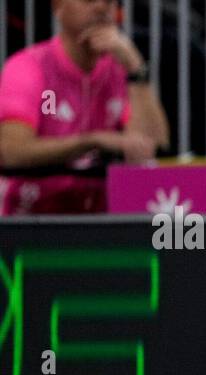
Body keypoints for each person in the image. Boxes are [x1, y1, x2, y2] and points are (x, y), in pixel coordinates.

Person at [0, 0, 169, 215]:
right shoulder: (29, 67)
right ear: (57, 8)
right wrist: (92, 140)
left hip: (102, 222)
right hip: (31, 221)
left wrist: (135, 68)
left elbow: (153, 145)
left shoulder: (120, 70)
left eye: (109, 2)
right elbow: (11, 151)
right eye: (88, 0)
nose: (100, 7)